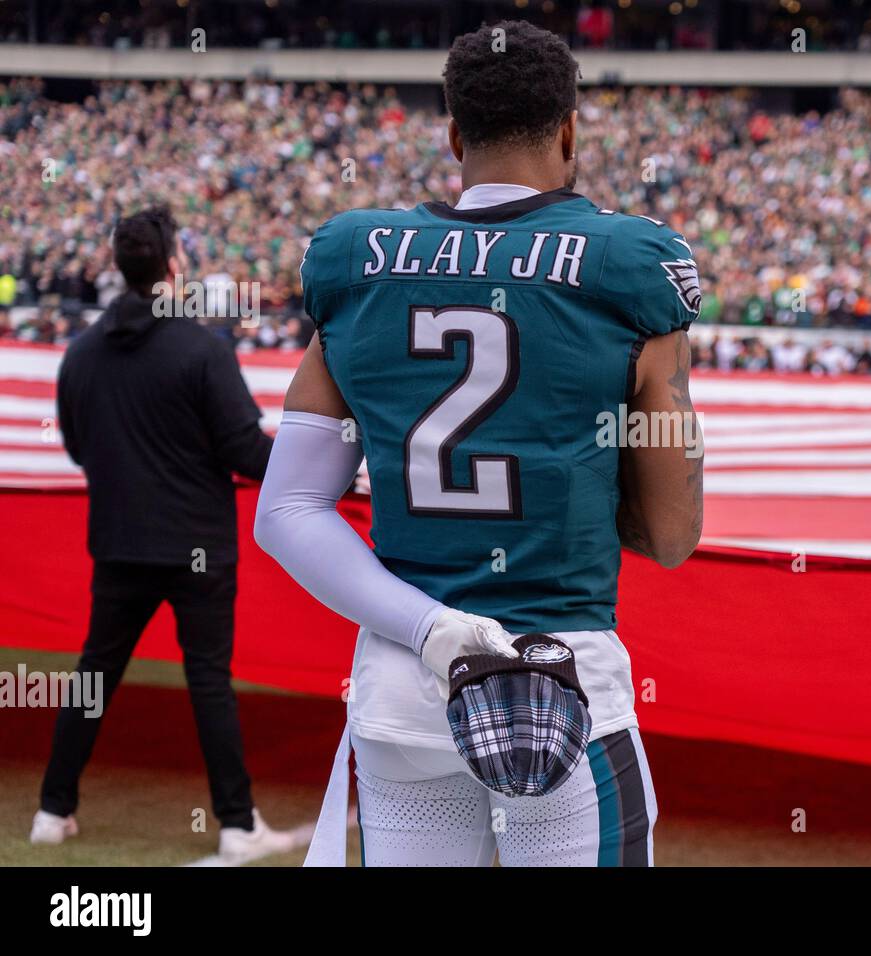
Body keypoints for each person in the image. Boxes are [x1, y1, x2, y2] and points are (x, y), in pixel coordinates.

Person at [255, 21, 704, 867]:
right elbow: (673, 534)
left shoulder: (358, 261)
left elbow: (286, 511)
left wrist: (430, 630)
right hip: (563, 679)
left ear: (454, 134)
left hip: (402, 690)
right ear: (570, 130)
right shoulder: (628, 267)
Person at [35, 207, 295, 863]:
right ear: (174, 265)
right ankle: (237, 824)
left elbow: (74, 442)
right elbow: (244, 450)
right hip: (196, 548)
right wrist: (315, 460)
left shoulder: (83, 352)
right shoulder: (201, 349)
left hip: (120, 543)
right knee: (208, 680)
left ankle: (52, 810)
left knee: (94, 676)